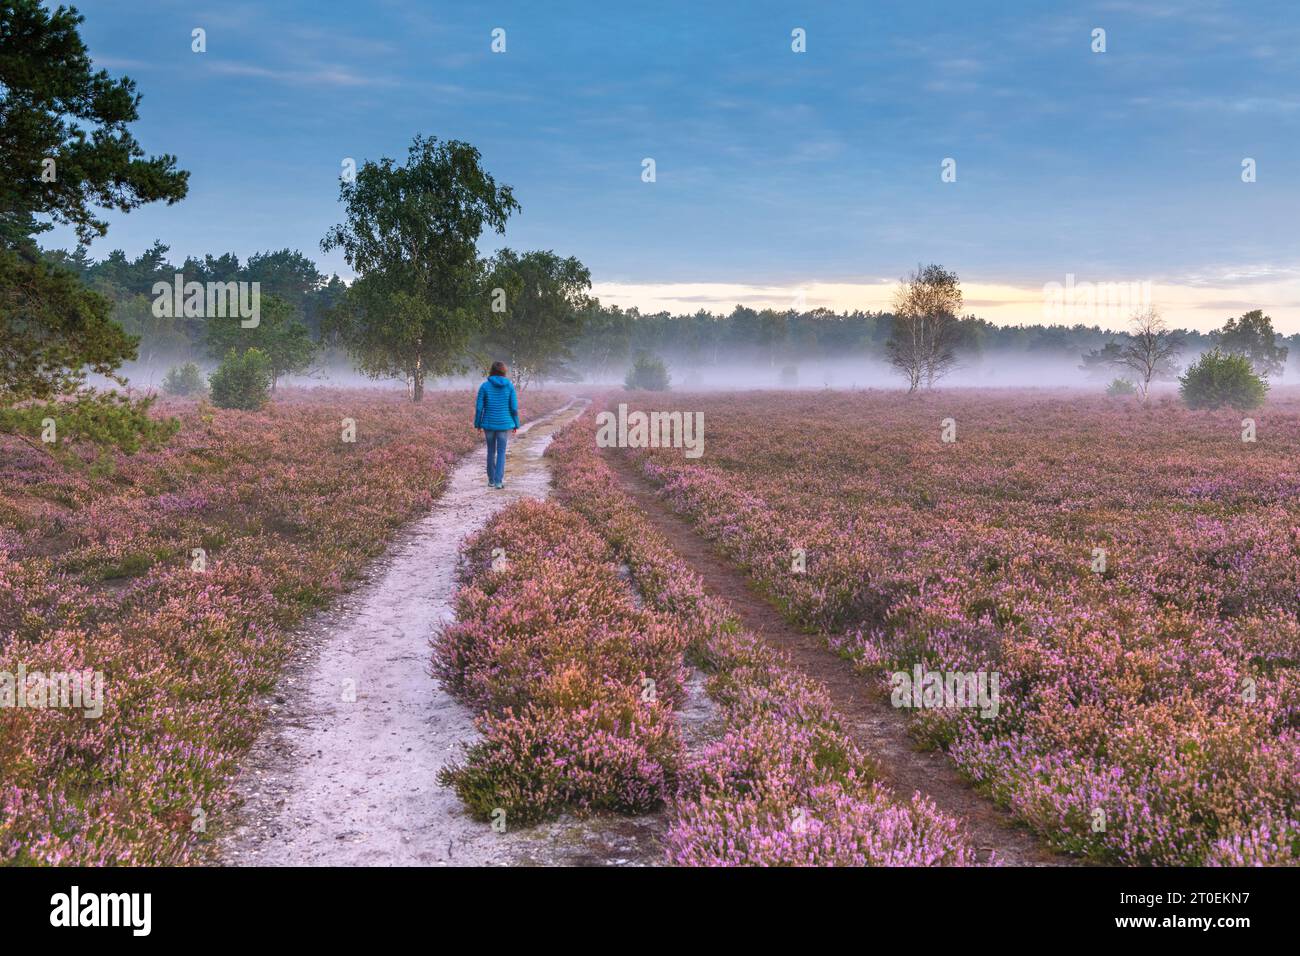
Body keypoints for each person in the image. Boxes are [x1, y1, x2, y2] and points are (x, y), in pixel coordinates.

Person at [474, 361, 519, 488]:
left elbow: (479, 408)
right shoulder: (509, 386)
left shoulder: (484, 386)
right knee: (501, 452)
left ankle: (491, 480)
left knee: (490, 452)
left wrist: (478, 424)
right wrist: (516, 424)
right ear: (504, 371)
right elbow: (514, 408)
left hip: (488, 424)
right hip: (504, 425)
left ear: (491, 371)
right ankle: (499, 482)